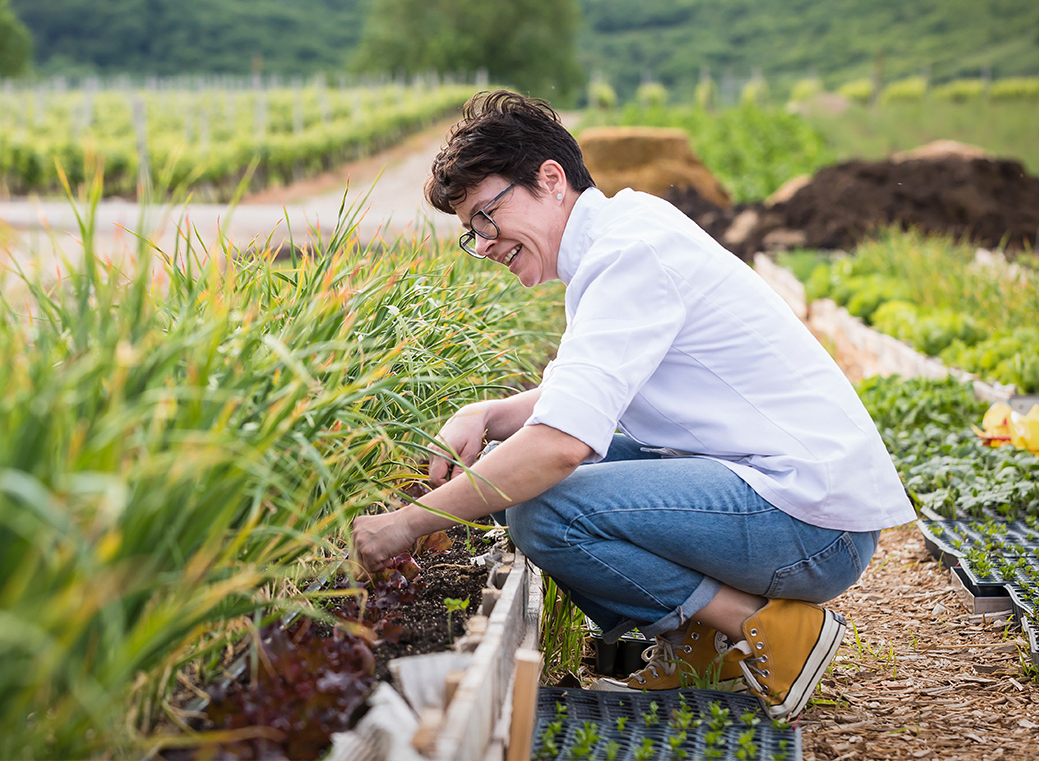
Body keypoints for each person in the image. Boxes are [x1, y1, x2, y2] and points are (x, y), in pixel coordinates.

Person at [351, 90, 915, 719]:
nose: (482, 244)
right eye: (470, 232)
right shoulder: (624, 232)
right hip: (793, 500)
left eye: (486, 216)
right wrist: (487, 415)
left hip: (810, 523)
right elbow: (578, 399)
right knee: (522, 473)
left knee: (542, 507)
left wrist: (407, 523)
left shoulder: (628, 255)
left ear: (550, 180)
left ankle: (770, 630)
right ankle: (704, 647)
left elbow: (560, 445)